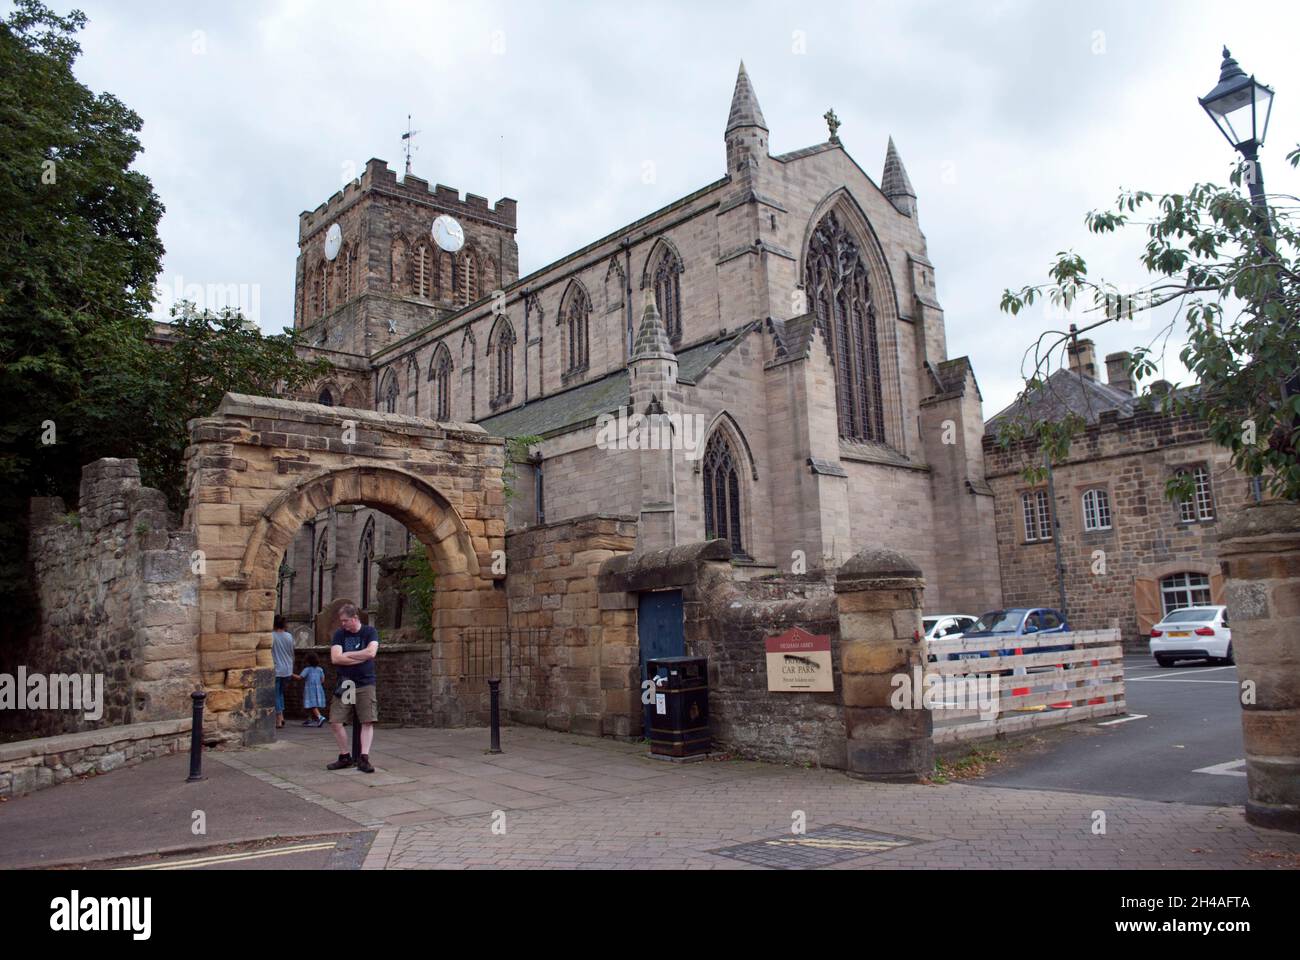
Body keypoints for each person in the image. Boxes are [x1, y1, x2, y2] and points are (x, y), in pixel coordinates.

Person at [327, 604, 380, 773]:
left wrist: (347, 655)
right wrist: (360, 657)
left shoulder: (369, 632)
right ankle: (345, 756)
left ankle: (364, 758)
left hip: (365, 682)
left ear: (355, 618)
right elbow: (335, 658)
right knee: (336, 721)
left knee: (367, 720)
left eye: (345, 621)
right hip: (346, 683)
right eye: (341, 621)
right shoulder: (339, 634)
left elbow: (371, 653)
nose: (343, 624)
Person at [271, 615, 297, 729]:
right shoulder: (289, 636)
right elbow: (292, 653)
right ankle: (282, 716)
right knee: (280, 693)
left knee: (275, 694)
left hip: (277, 669)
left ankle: (279, 718)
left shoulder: (271, 636)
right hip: (288, 669)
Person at [299, 652, 327, 727]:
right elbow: (322, 680)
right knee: (311, 705)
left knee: (312, 705)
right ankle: (309, 719)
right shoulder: (320, 669)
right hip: (318, 689)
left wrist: (290, 674)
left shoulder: (307, 669)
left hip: (310, 690)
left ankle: (320, 717)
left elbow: (300, 677)